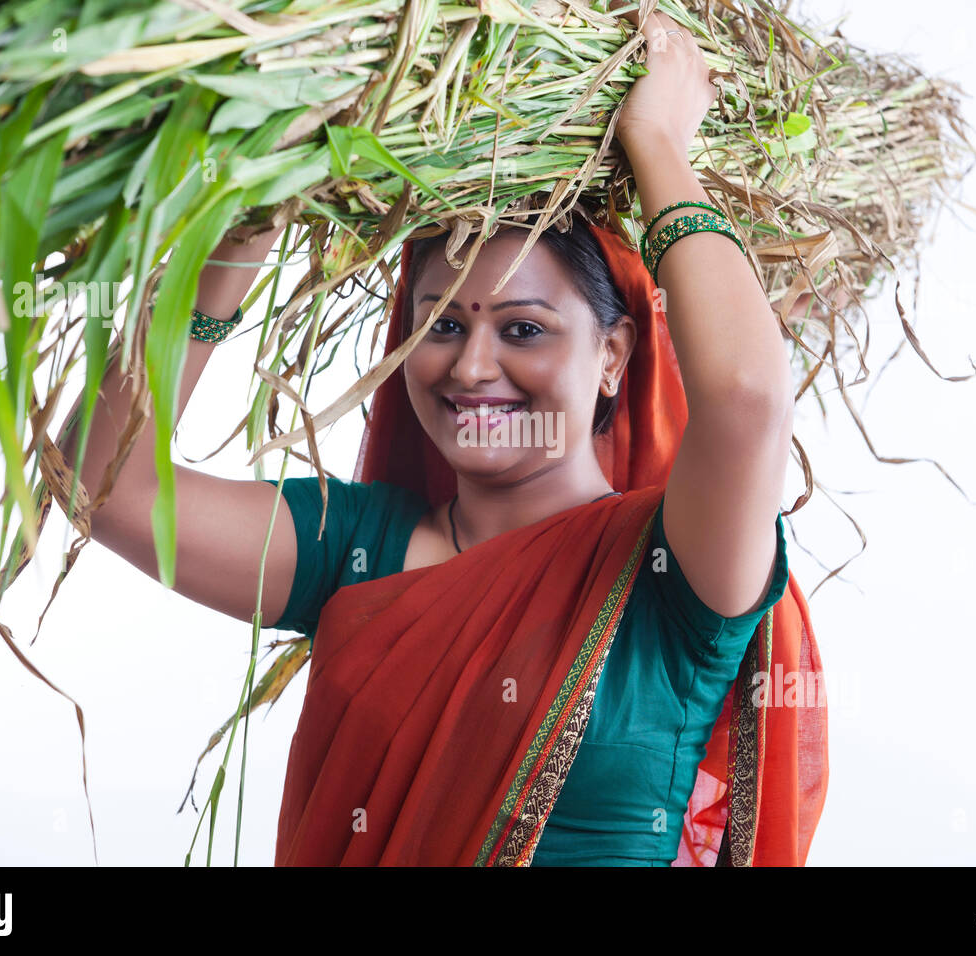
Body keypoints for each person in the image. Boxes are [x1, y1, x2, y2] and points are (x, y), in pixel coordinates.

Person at [57, 9, 827, 866]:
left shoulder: (669, 566)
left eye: (524, 329)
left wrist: (657, 147)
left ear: (612, 354)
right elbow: (102, 487)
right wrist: (236, 246)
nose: (471, 368)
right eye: (443, 326)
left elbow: (749, 397)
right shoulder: (356, 546)